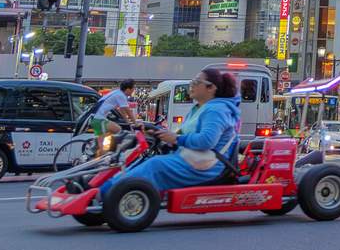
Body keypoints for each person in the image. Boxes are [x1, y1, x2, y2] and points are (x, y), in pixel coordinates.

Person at [100, 69, 239, 197]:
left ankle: (108, 192)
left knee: (154, 165)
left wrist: (177, 139)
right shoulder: (198, 108)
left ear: (211, 88)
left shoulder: (217, 110)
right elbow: (181, 133)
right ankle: (106, 189)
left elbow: (206, 141)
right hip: (192, 158)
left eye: (197, 82)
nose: (192, 84)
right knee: (143, 160)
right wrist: (157, 132)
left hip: (207, 166)